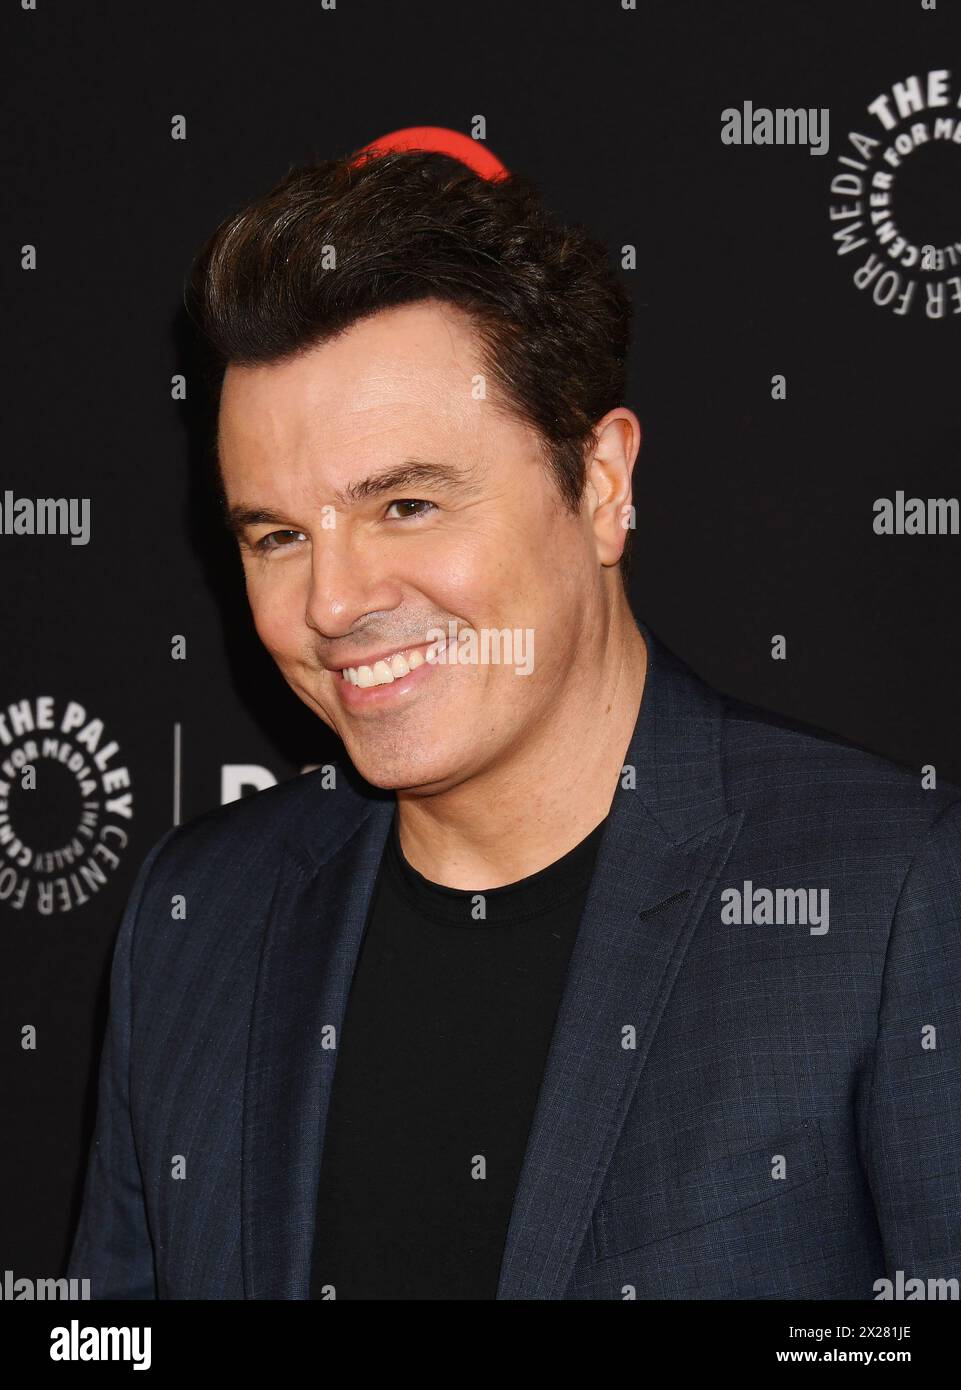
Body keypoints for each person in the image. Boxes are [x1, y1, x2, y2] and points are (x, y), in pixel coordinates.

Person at [67, 149, 961, 1299]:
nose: (333, 603)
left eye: (406, 504)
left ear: (599, 485)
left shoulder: (888, 896)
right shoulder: (197, 918)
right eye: (277, 535)